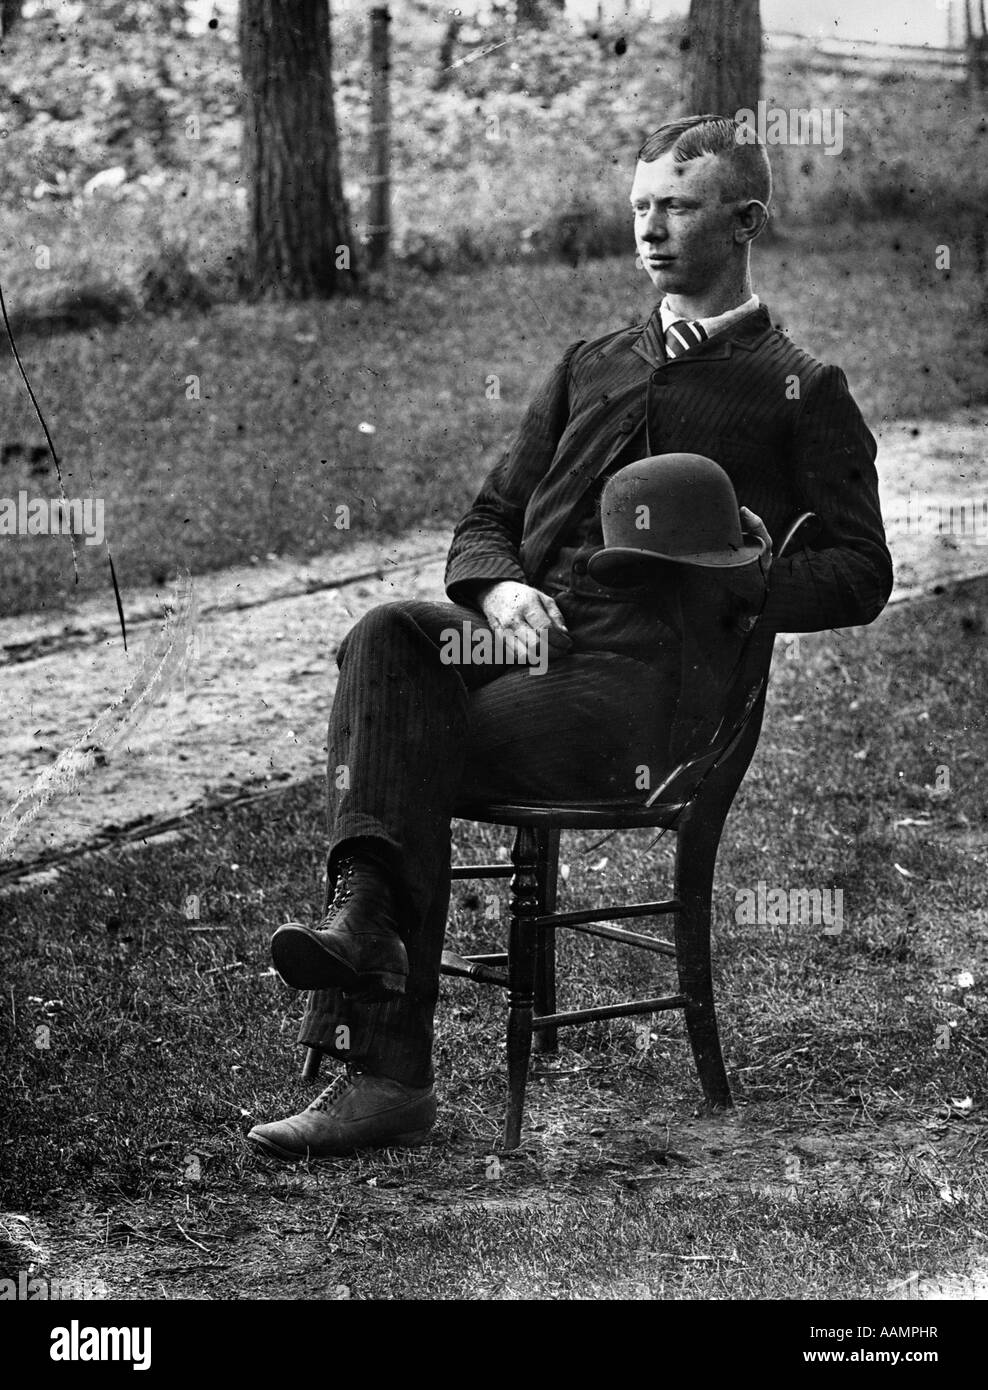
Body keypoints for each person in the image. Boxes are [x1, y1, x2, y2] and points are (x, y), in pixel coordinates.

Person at [247, 114, 892, 1161]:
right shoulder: (590, 363)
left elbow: (862, 572)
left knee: (400, 747)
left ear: (745, 222)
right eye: (640, 206)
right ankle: (365, 920)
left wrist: (743, 577)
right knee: (387, 638)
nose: (651, 228)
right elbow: (482, 520)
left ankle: (384, 1059)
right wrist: (498, 592)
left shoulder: (798, 390)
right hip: (526, 644)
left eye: (678, 207)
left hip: (640, 695)